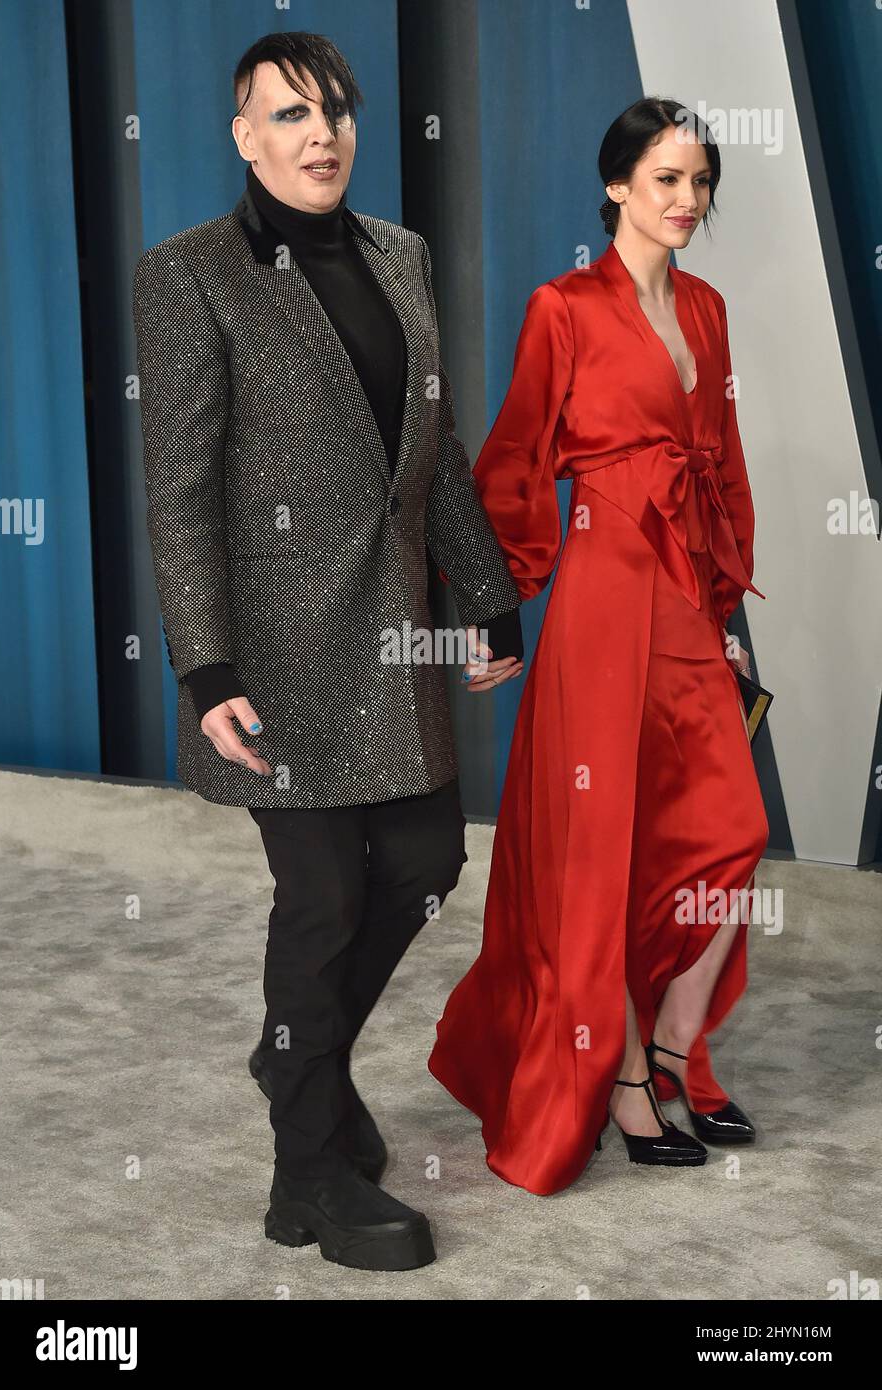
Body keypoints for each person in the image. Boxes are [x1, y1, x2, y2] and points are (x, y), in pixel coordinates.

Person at [132, 30, 524, 1269]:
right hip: (276, 655)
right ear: (242, 134)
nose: (322, 135)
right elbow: (181, 491)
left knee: (419, 862)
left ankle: (294, 1057)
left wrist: (486, 591)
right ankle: (306, 1175)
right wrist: (207, 667)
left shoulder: (396, 255)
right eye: (290, 115)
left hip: (396, 636)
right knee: (322, 898)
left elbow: (434, 443)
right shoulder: (189, 275)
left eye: (336, 113)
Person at [427, 98, 771, 1196]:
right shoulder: (562, 307)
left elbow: (718, 469)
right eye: (663, 179)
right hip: (598, 594)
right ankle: (622, 1077)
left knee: (728, 832)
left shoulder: (708, 311)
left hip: (683, 602)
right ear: (615, 185)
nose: (685, 201)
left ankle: (671, 1048)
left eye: (698, 182)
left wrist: (720, 608)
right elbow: (517, 459)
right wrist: (496, 607)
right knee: (602, 849)